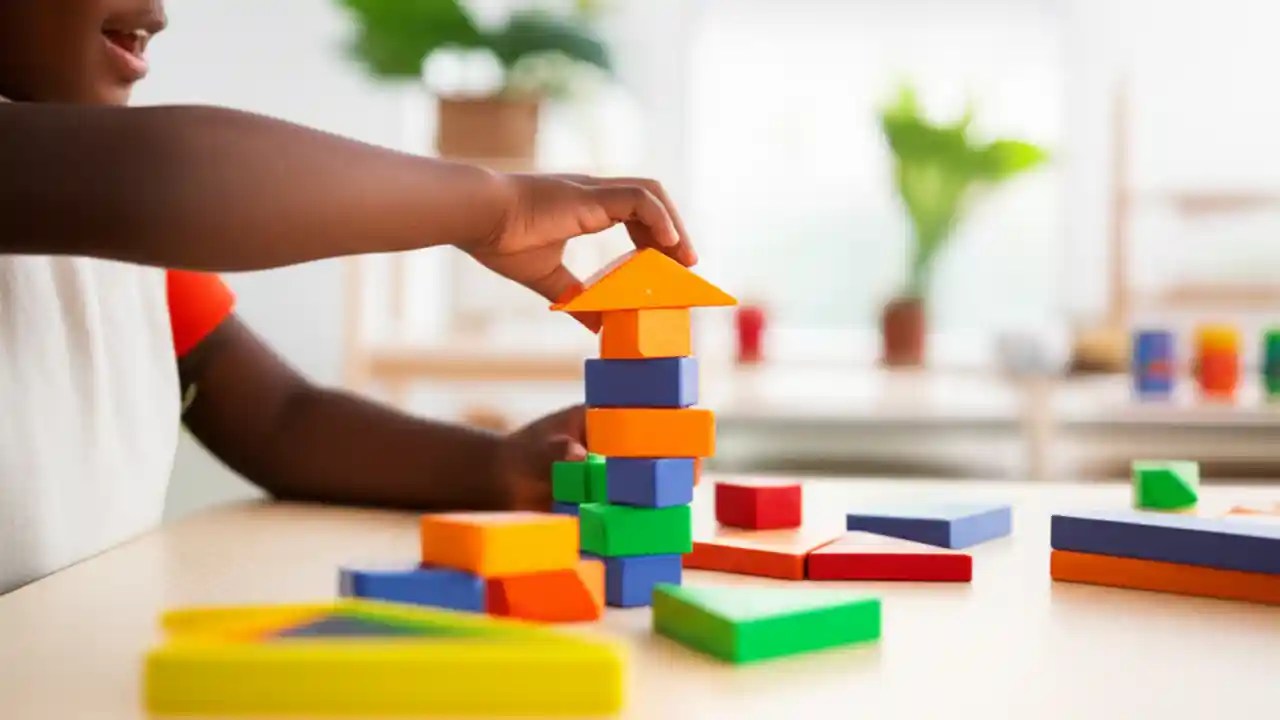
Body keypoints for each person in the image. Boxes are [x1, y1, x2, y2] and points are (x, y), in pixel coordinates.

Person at [0, 0, 698, 593]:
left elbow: (280, 417)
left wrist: (498, 468)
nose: (160, 11)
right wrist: (496, 205)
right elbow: (166, 177)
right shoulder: (108, 195)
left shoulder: (121, 250)